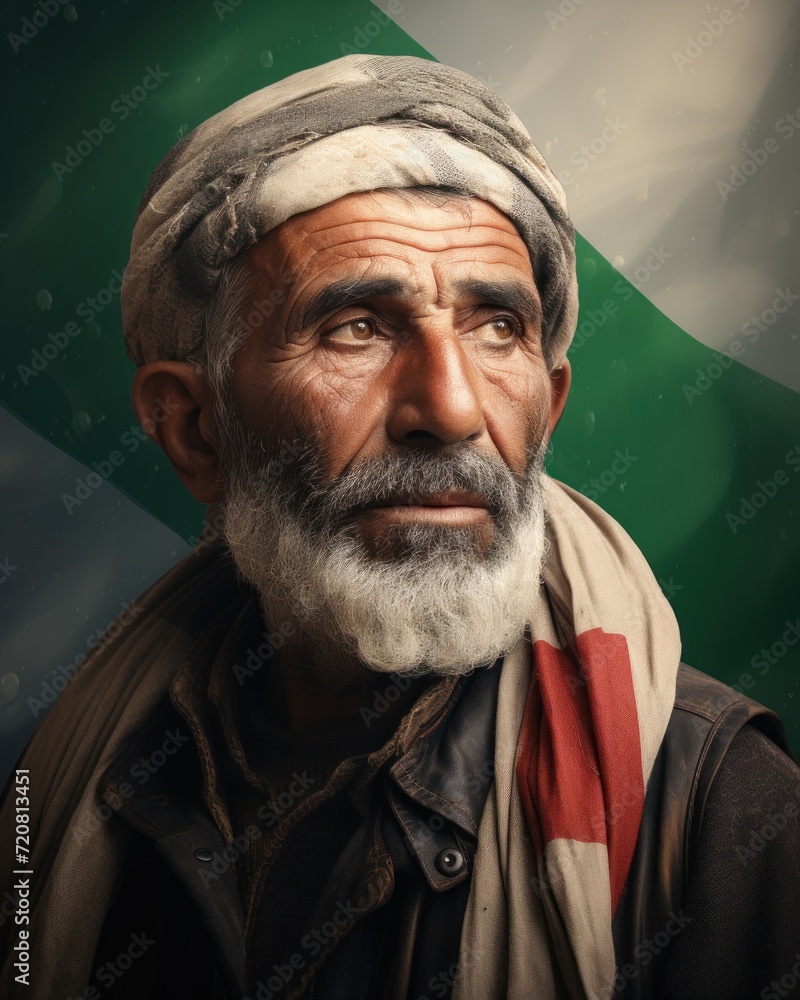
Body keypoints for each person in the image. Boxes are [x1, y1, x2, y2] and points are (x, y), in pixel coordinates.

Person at [1, 53, 799, 1000]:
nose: (452, 408)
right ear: (195, 427)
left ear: (549, 403)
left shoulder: (720, 813)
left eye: (497, 326)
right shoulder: (68, 780)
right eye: (357, 327)